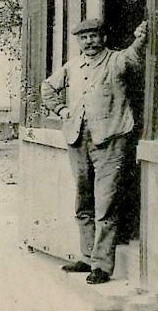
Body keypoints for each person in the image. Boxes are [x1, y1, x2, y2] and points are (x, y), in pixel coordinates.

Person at [41, 18, 147, 285]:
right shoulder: (72, 66)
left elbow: (135, 56)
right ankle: (87, 257)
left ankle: (101, 265)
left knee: (106, 203)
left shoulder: (116, 61)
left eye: (94, 36)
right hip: (77, 139)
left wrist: (141, 37)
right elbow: (47, 88)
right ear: (79, 41)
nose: (89, 42)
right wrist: (62, 110)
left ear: (103, 38)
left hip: (109, 139)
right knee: (83, 201)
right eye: (84, 38)